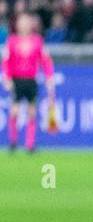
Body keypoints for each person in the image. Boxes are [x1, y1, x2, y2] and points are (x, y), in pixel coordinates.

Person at [2, 13, 56, 153]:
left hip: (31, 80)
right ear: (17, 24)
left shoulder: (37, 41)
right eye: (21, 22)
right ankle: (13, 142)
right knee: (14, 111)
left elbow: (45, 60)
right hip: (16, 80)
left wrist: (49, 77)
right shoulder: (12, 41)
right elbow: (6, 62)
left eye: (26, 22)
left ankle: (30, 145)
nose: (24, 24)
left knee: (32, 112)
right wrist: (6, 78)